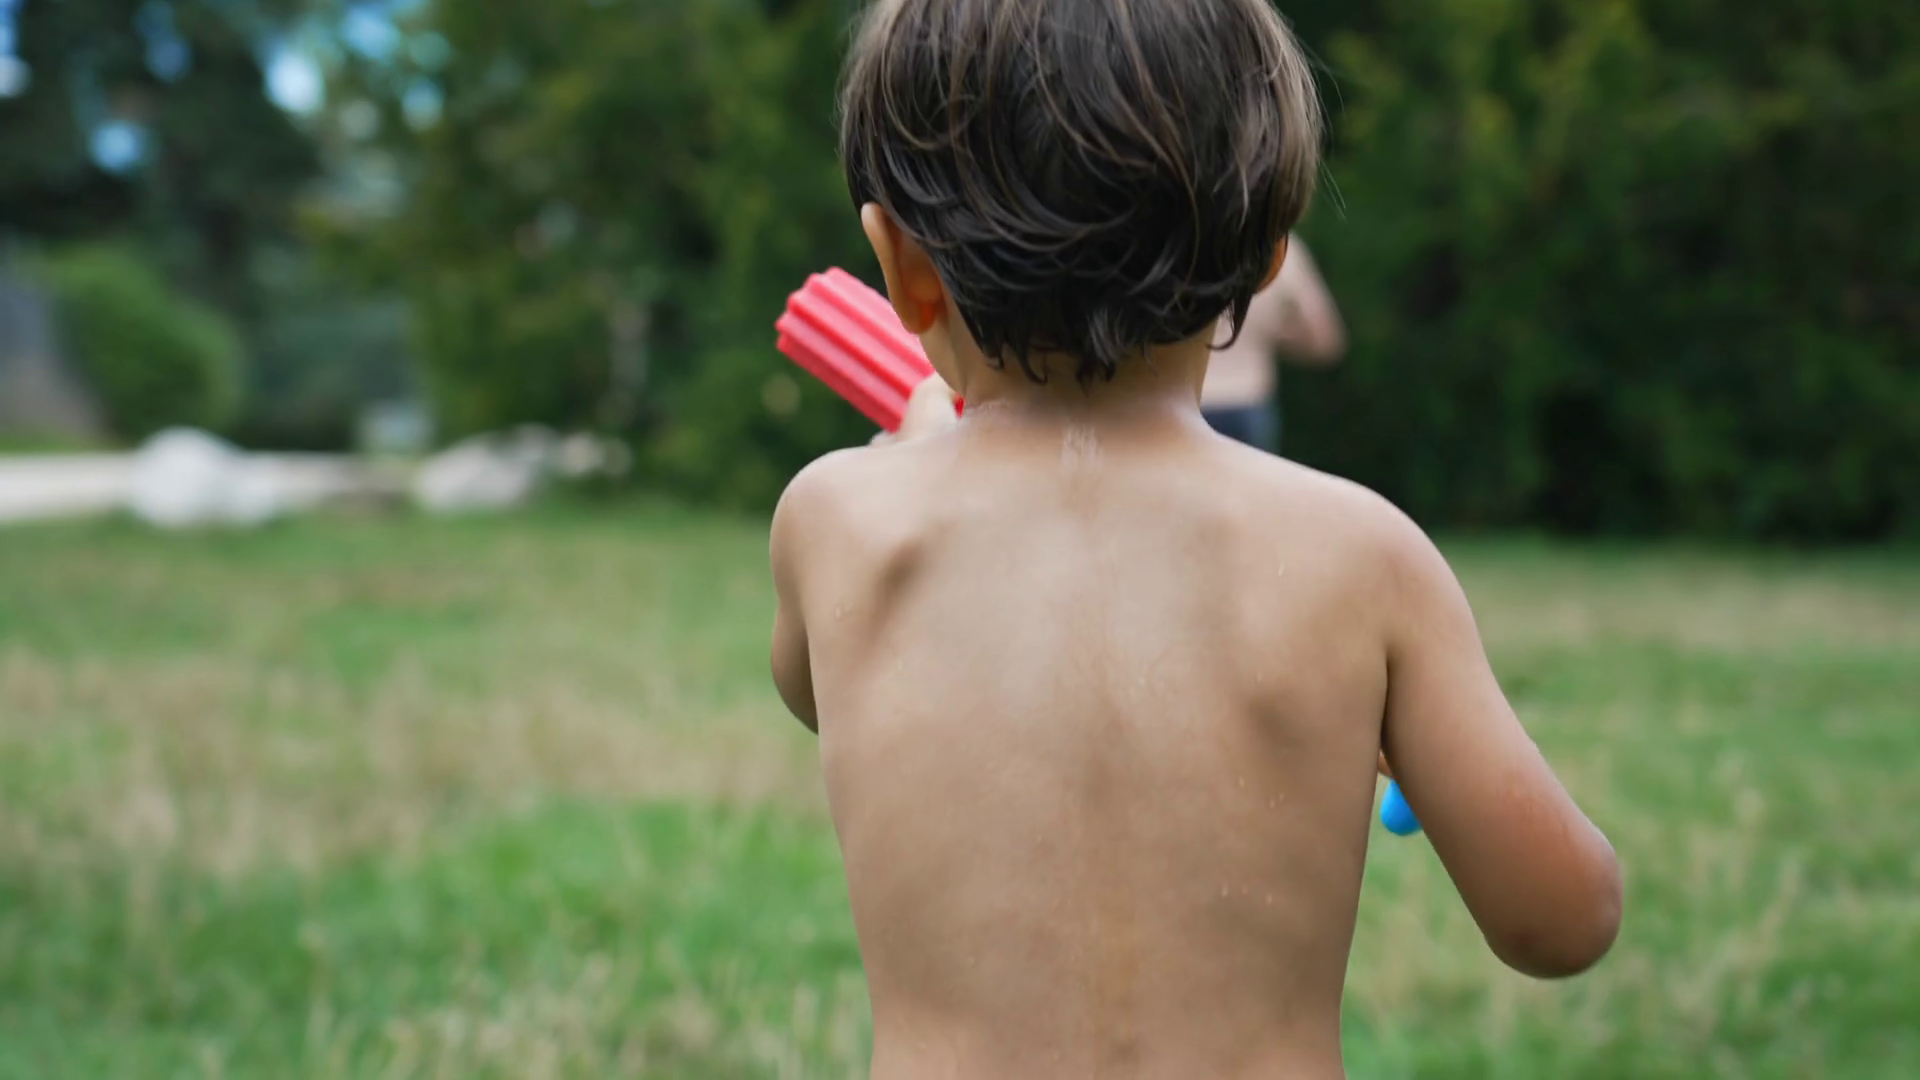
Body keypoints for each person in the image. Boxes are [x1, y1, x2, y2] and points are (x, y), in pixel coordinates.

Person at [770, 1, 1622, 1076]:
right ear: (1269, 256)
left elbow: (817, 689)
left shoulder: (839, 520)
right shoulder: (1357, 557)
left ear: (899, 267)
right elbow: (1562, 920)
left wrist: (922, 447)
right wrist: (1407, 729)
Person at [1201, 236, 1346, 454]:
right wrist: (1278, 335)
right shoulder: (1280, 249)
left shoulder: (1193, 243)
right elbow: (1325, 340)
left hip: (1192, 403)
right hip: (1248, 399)